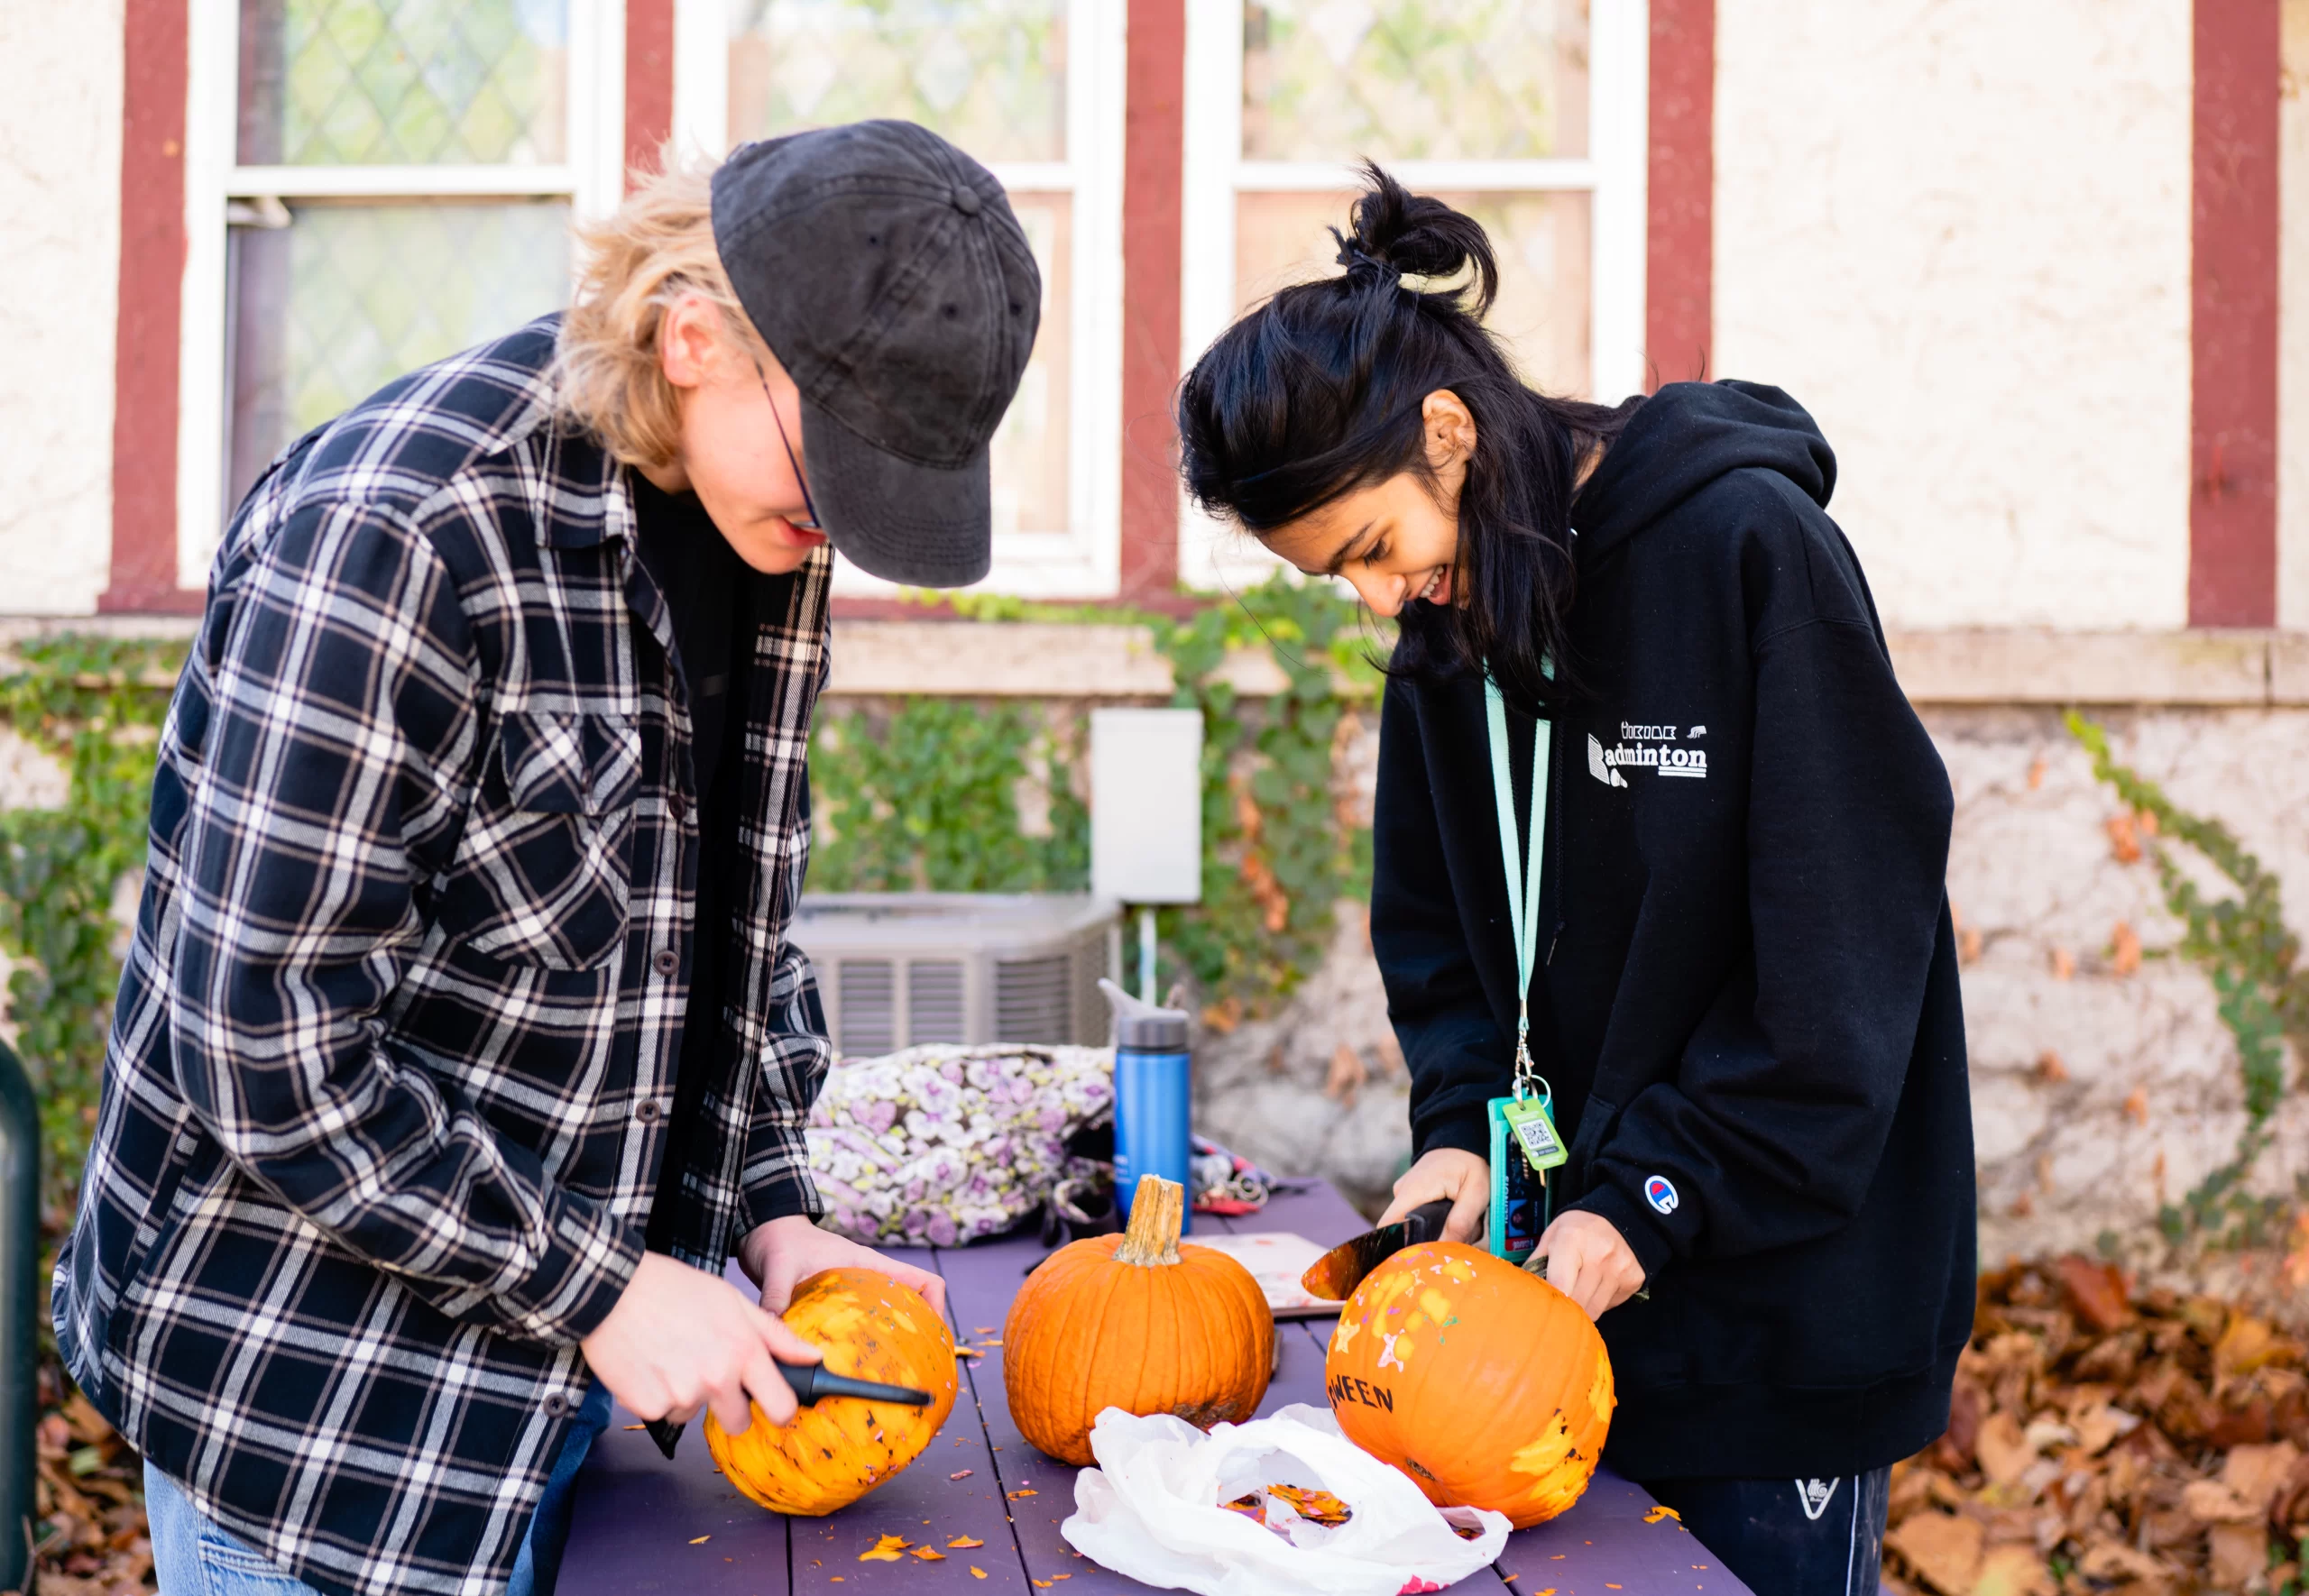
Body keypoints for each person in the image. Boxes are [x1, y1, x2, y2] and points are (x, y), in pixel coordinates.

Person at [53, 121, 1040, 1596]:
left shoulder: (753, 524)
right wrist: (602, 1285)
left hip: (545, 1392)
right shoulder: (397, 540)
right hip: (320, 1430)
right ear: (694, 340)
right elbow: (259, 1046)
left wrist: (772, 1205)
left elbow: (724, 935)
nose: (845, 517)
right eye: (836, 463)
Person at [1173, 167, 1973, 1596]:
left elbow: (1844, 970)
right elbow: (1436, 944)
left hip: (1774, 1323)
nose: (1377, 600)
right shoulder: (1446, 631)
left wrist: (1658, 1194)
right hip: (1551, 1322)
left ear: (1449, 432)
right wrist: (1457, 1132)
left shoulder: (1747, 548)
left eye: (1372, 547)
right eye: (1334, 578)